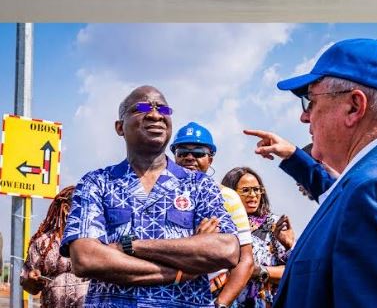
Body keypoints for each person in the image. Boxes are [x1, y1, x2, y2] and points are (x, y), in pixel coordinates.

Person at [244, 38, 377, 307]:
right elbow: (337, 196)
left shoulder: (376, 191)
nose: (304, 117)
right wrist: (294, 156)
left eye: (310, 102)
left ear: (353, 107)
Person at [61, 85, 240, 308]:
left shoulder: (199, 185)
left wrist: (129, 246)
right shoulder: (97, 182)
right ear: (119, 127)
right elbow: (86, 259)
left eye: (163, 110)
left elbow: (227, 251)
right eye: (142, 107)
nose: (155, 114)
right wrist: (180, 270)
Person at [171, 121, 255, 308]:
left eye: (199, 153)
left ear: (210, 159)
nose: (190, 158)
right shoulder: (160, 195)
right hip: (166, 293)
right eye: (182, 152)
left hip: (212, 295)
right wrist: (196, 244)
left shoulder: (229, 197)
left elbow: (246, 260)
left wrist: (222, 303)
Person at [220, 167, 294, 308]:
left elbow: (293, 270)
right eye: (246, 190)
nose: (253, 195)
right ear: (230, 194)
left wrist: (259, 271)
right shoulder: (220, 223)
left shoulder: (274, 225)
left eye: (257, 189)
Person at [20, 186, 89, 308]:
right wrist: (31, 279)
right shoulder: (44, 243)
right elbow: (29, 287)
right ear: (66, 209)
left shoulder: (96, 241)